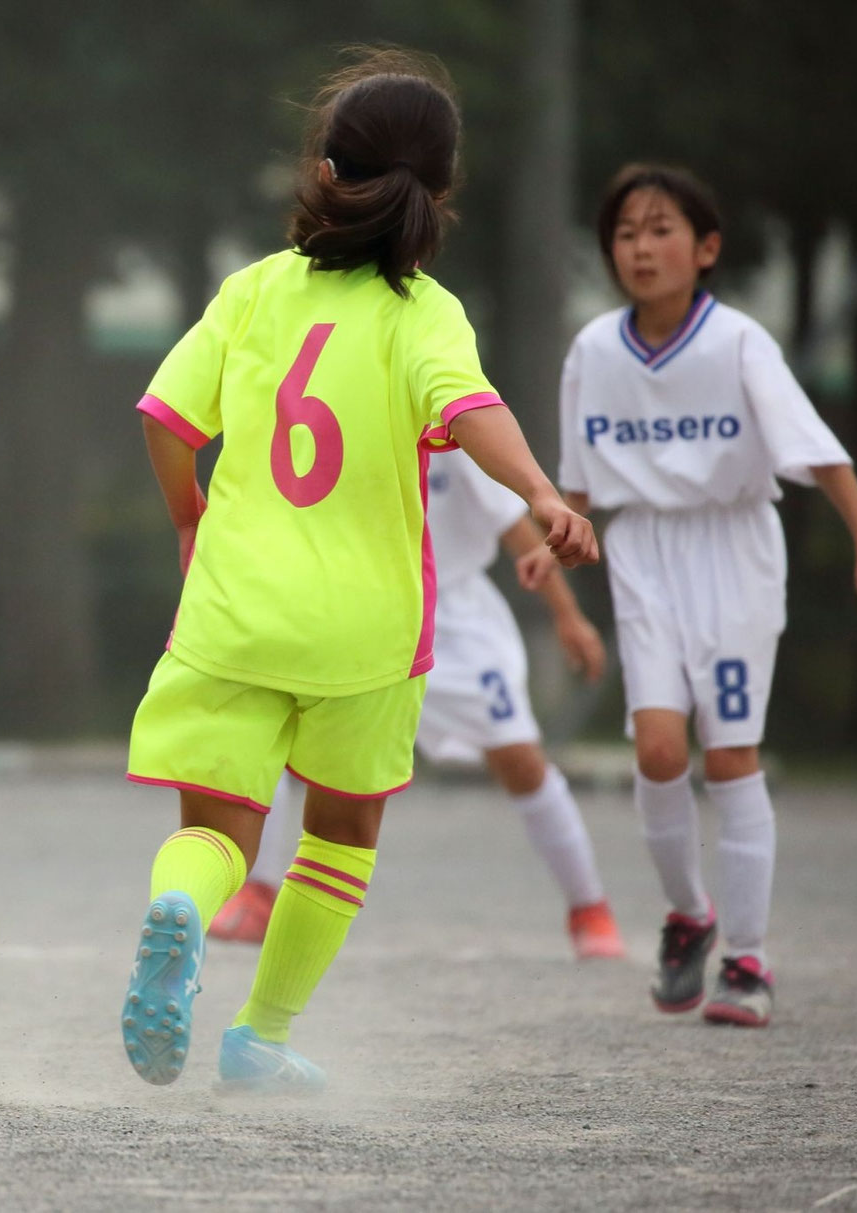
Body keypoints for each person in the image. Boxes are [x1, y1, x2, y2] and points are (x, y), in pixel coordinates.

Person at [121, 48, 597, 1092]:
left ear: (323, 173)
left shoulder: (253, 292)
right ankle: (260, 1036)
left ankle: (183, 906)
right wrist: (541, 493)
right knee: (338, 835)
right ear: (440, 192)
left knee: (217, 829)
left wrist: (189, 516)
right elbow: (471, 409)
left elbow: (164, 417)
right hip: (366, 632)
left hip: (234, 612)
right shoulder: (423, 311)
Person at [560, 163, 857, 1027]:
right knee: (658, 750)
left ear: (706, 248)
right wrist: (547, 545)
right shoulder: (593, 350)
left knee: (730, 754)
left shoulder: (739, 341)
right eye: (625, 233)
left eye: (660, 229)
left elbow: (815, 449)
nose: (641, 247)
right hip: (643, 549)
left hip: (735, 549)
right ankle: (689, 914)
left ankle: (747, 959)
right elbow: (575, 487)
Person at [210, 452, 624, 961]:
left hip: (454, 623)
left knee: (520, 762)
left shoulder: (455, 435)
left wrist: (568, 616)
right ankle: (258, 892)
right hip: (363, 615)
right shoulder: (341, 420)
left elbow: (513, 525)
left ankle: (589, 907)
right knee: (285, 733)